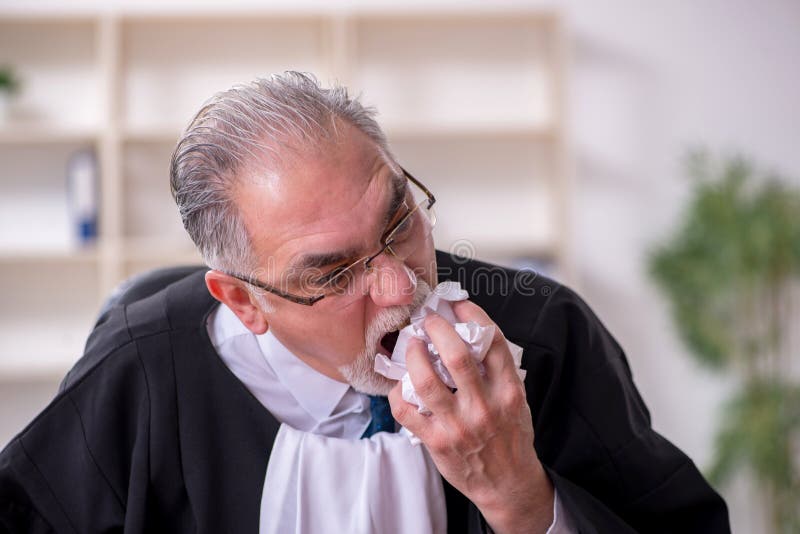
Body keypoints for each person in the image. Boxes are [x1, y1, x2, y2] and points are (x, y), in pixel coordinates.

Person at [0, 72, 730, 533]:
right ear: (244, 301)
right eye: (333, 272)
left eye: (399, 220)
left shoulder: (547, 333)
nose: (400, 286)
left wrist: (520, 497)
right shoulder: (139, 373)